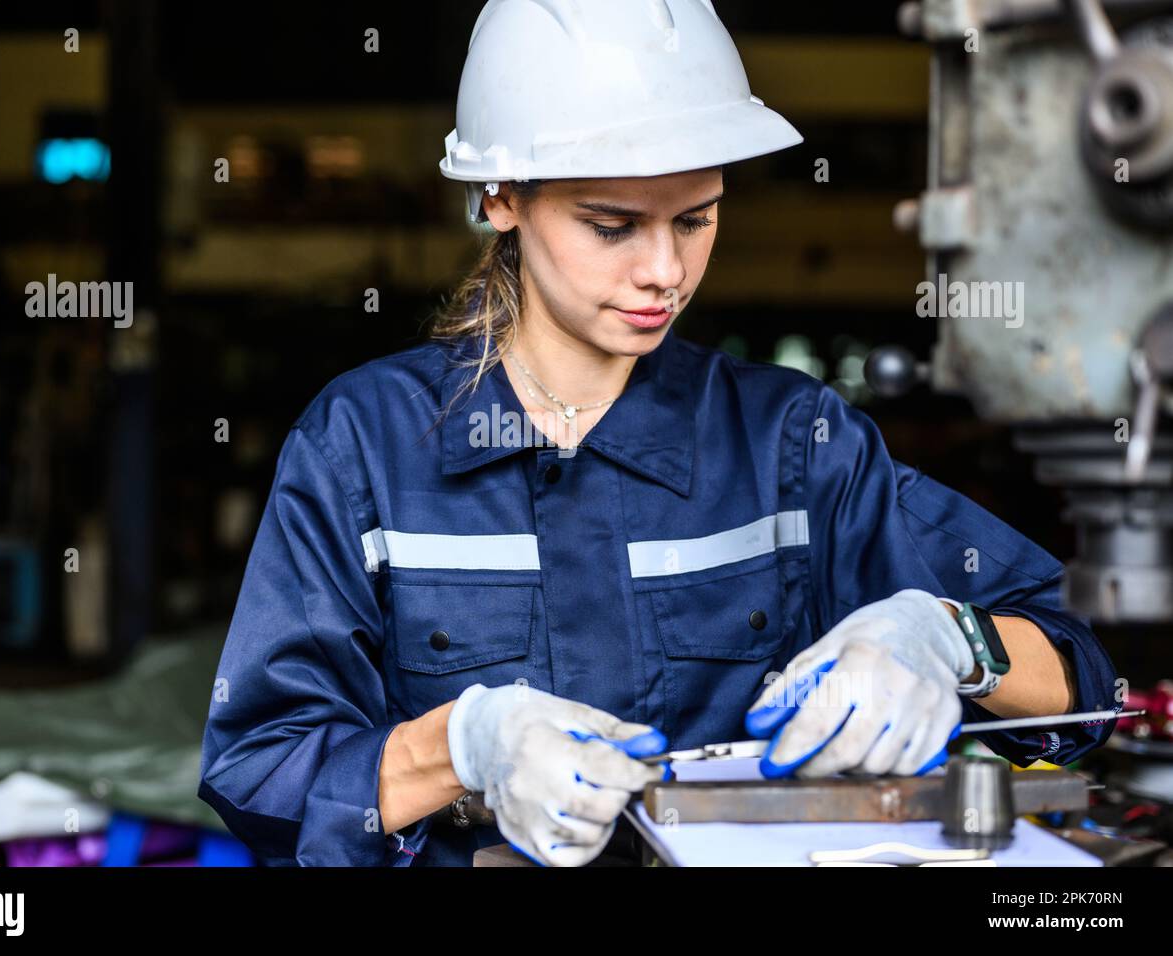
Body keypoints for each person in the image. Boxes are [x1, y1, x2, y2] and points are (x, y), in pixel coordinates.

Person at [198, 0, 1118, 867]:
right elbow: (263, 769)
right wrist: (464, 748)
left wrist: (948, 638)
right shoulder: (366, 445)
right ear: (500, 198)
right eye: (612, 226)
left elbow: (1081, 679)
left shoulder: (790, 443)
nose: (665, 271)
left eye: (696, 218)